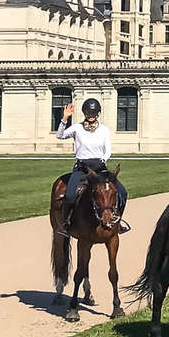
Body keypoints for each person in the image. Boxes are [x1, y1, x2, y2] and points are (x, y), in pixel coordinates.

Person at [56, 98, 128, 235]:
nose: (91, 115)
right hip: (82, 168)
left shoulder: (104, 130)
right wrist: (65, 118)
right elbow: (60, 135)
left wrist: (103, 159)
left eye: (94, 113)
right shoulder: (77, 128)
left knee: (123, 192)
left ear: (98, 114)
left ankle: (117, 222)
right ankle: (66, 224)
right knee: (70, 195)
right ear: (84, 113)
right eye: (89, 113)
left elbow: (108, 150)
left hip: (99, 169)